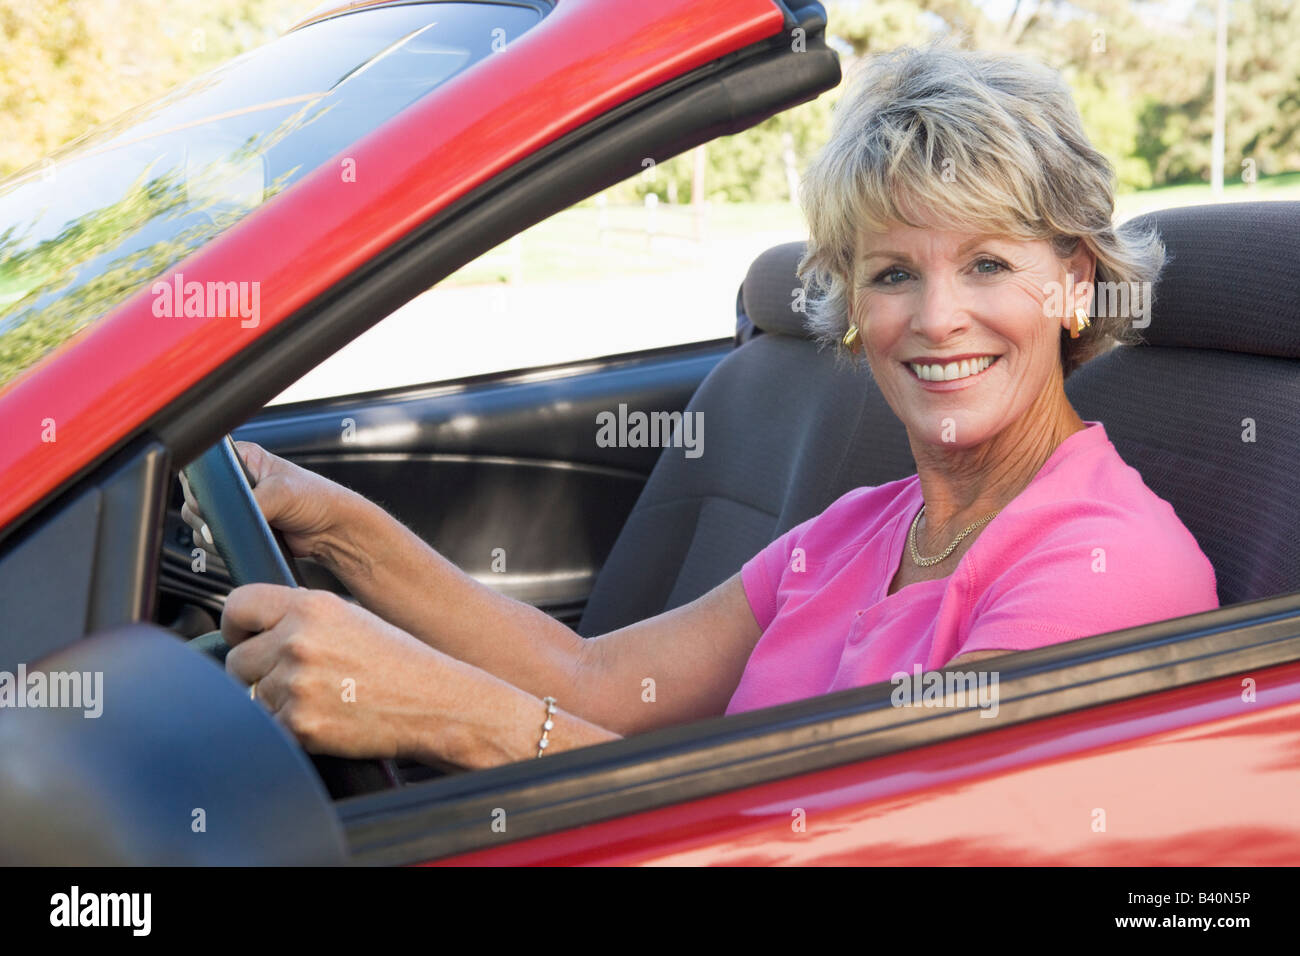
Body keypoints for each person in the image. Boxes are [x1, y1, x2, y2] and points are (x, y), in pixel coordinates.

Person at [180, 44, 1218, 770]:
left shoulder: (1103, 564)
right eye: (892, 272)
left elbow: (865, 853)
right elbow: (587, 678)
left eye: (987, 262)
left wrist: (459, 719)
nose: (937, 316)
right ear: (852, 304)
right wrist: (328, 517)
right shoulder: (859, 528)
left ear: (1075, 282)